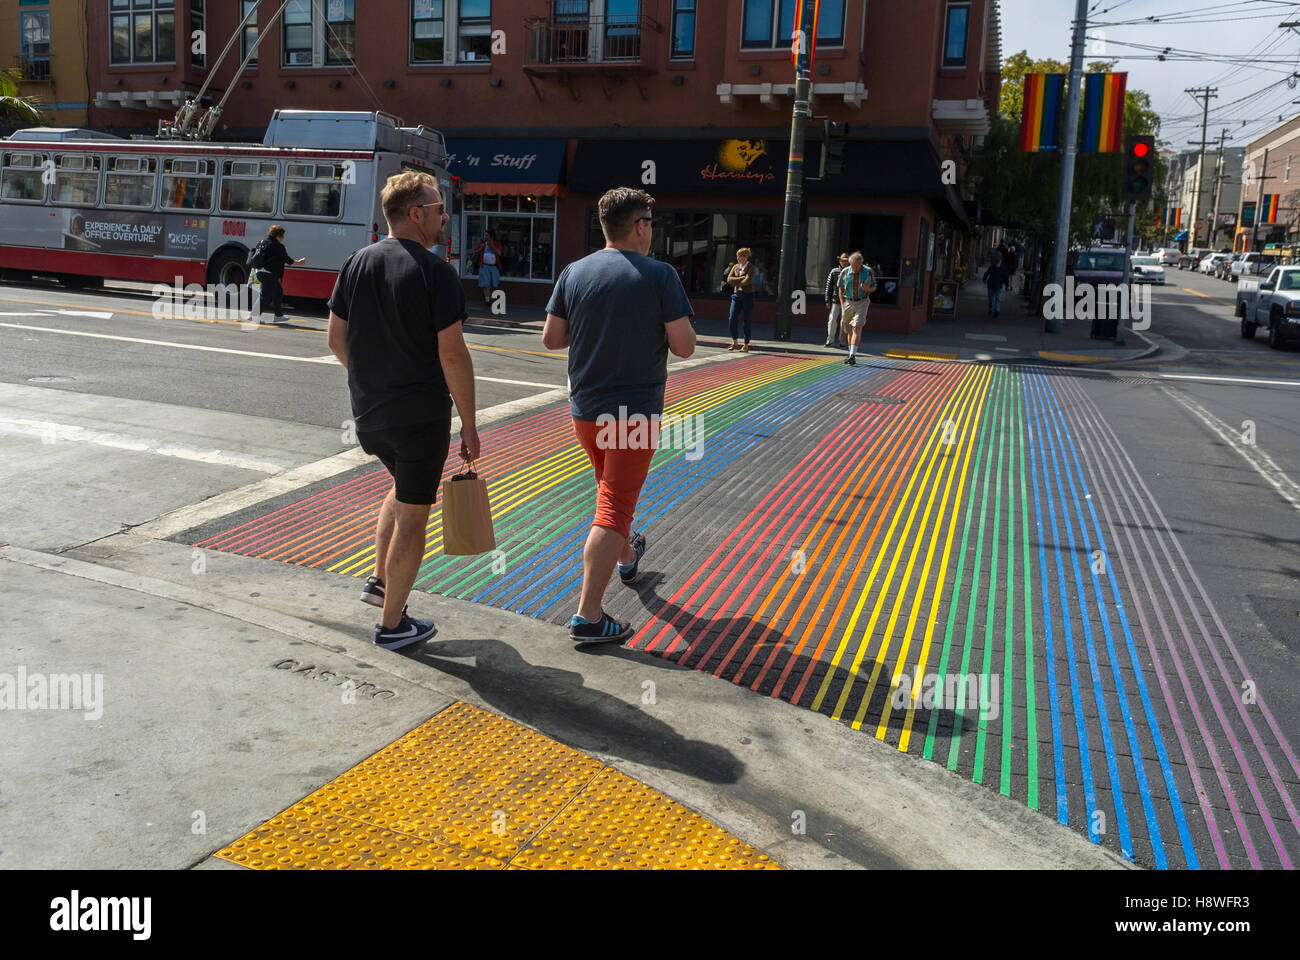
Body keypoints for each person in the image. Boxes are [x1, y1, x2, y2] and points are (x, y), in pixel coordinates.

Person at [326, 171, 479, 650]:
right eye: (437, 208)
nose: (444, 215)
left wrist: (372, 381)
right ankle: (393, 627)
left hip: (369, 417)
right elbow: (453, 355)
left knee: (402, 489)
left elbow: (336, 338)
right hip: (418, 419)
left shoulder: (356, 262)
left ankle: (378, 584)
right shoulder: (436, 273)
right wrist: (470, 424)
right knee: (415, 516)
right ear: (416, 213)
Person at [542, 187, 696, 643]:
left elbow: (552, 338)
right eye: (651, 222)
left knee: (610, 492)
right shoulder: (660, 275)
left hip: (585, 412)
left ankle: (627, 558)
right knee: (612, 508)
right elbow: (685, 347)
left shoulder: (575, 271)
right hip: (633, 416)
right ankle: (588, 616)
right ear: (640, 226)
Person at [252, 224, 306, 324]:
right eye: (282, 236)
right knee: (266, 296)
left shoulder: (262, 242)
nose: (283, 238)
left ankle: (278, 315)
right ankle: (255, 316)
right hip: (268, 274)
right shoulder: (278, 246)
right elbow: (287, 260)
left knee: (278, 292)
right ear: (278, 236)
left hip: (259, 272)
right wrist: (299, 262)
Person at [837, 251, 876, 366]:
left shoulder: (868, 272)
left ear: (861, 264)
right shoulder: (845, 272)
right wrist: (842, 304)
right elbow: (840, 289)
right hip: (848, 302)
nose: (854, 269)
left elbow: (874, 287)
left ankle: (853, 355)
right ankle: (850, 354)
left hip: (862, 302)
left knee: (856, 327)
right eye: (852, 266)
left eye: (857, 266)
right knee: (848, 330)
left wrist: (867, 289)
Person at [723, 246, 755, 351]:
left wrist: (736, 281)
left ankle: (746, 344)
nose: (739, 259)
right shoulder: (735, 267)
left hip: (748, 296)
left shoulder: (751, 267)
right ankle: (735, 342)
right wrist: (741, 278)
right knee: (732, 318)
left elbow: (748, 281)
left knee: (747, 320)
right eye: (738, 256)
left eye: (741, 257)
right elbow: (728, 279)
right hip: (736, 295)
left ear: (746, 257)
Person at [824, 252, 849, 348]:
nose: (844, 262)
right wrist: (827, 300)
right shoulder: (834, 271)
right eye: (843, 261)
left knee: (844, 321)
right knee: (832, 319)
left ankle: (842, 341)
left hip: (847, 301)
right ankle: (830, 340)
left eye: (846, 261)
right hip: (835, 300)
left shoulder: (851, 271)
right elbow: (828, 286)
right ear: (840, 261)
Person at [473, 229, 503, 304]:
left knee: (493, 283)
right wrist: (481, 248)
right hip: (484, 266)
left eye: (487, 235)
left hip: (494, 266)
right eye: (485, 235)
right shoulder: (481, 243)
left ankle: (487, 295)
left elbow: (499, 253)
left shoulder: (497, 243)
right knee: (486, 283)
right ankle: (488, 300)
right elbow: (475, 252)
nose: (485, 236)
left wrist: (491, 245)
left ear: (491, 236)